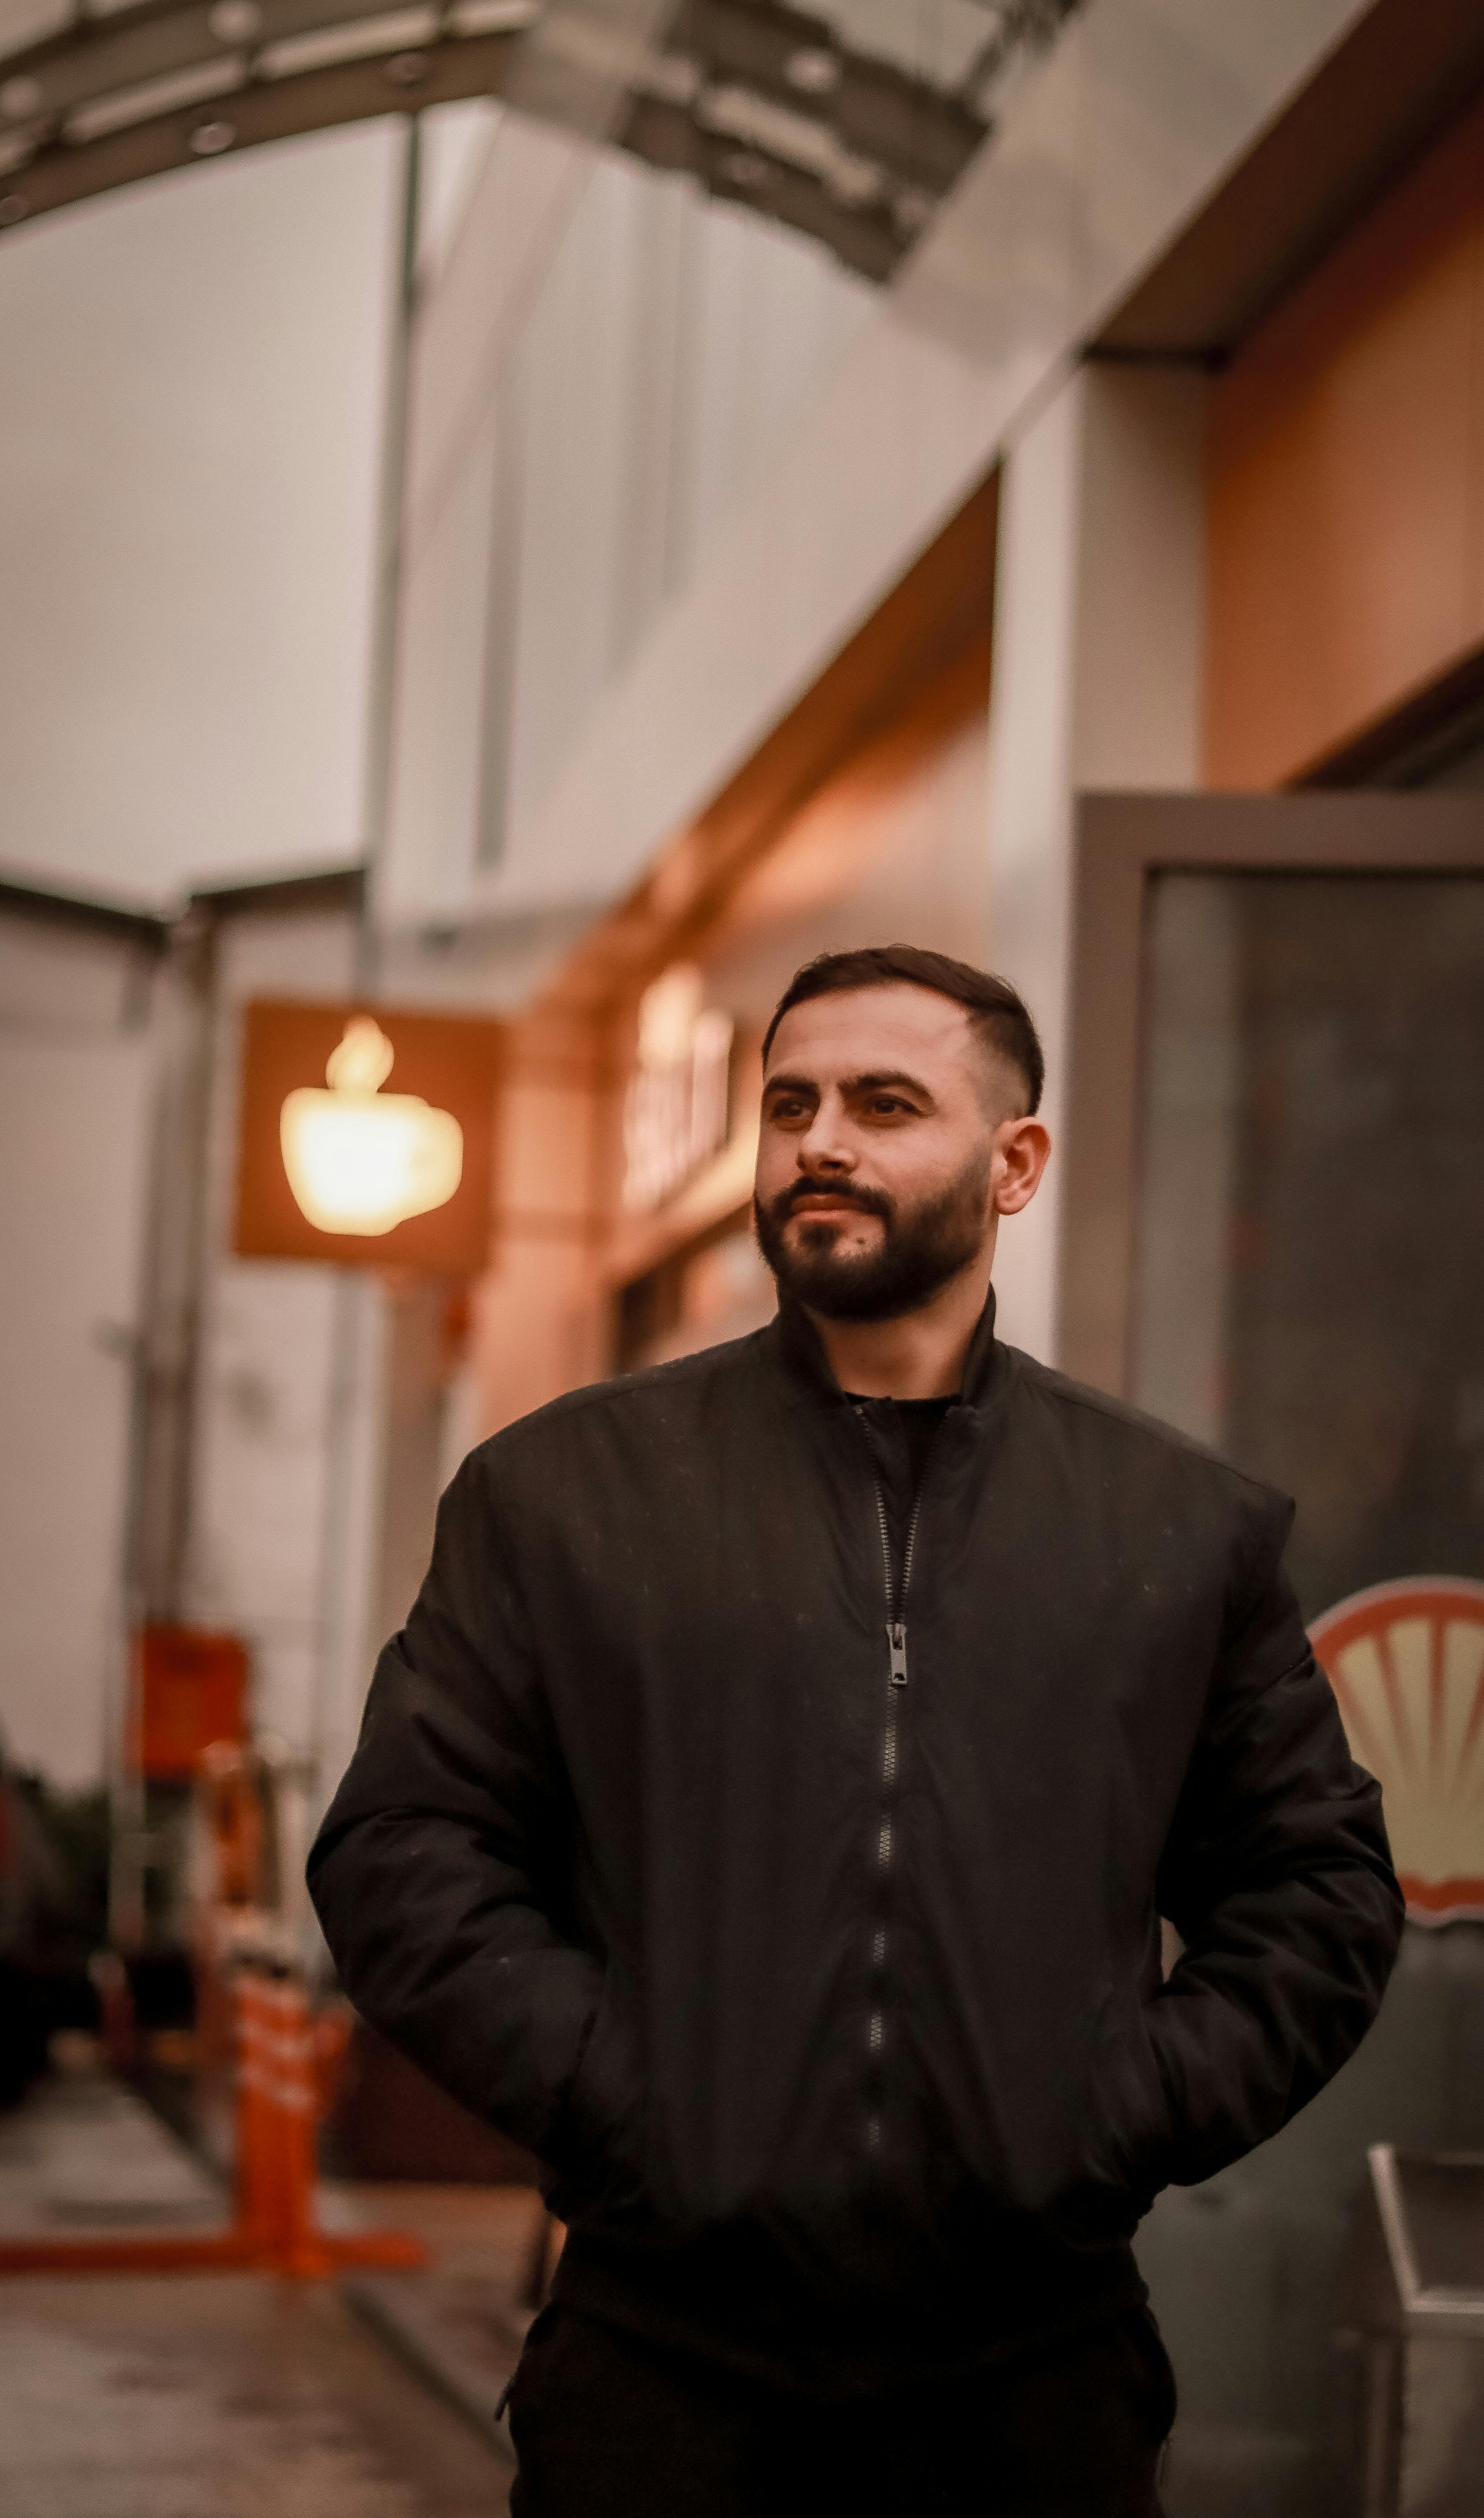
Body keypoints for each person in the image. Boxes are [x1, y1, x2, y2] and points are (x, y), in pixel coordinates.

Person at [308, 943, 1402, 2516]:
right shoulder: (564, 1495)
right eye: (792, 1103)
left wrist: (1109, 2116)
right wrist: (629, 2099)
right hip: (660, 2378)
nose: (820, 1141)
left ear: (1016, 1163)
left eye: (887, 1104)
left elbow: (1321, 1891)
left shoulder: (1178, 1529)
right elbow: (403, 1845)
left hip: (1034, 2394)